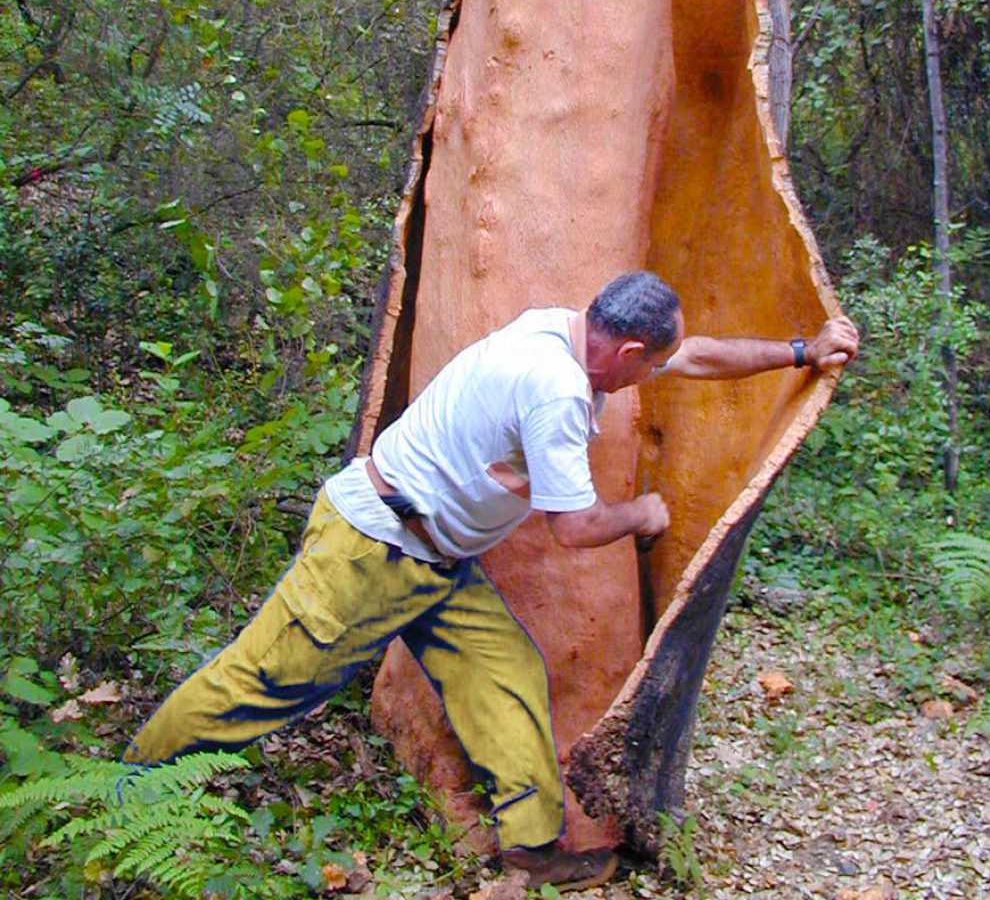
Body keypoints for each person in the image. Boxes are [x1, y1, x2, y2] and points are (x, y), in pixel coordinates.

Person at [124, 272, 859, 891]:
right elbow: (571, 529)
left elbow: (693, 356)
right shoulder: (557, 388)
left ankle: (533, 849)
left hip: (437, 561)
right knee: (260, 681)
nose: (648, 381)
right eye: (646, 368)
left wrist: (801, 351)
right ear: (626, 349)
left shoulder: (564, 328)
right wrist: (638, 513)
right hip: (370, 552)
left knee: (503, 673)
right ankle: (120, 794)